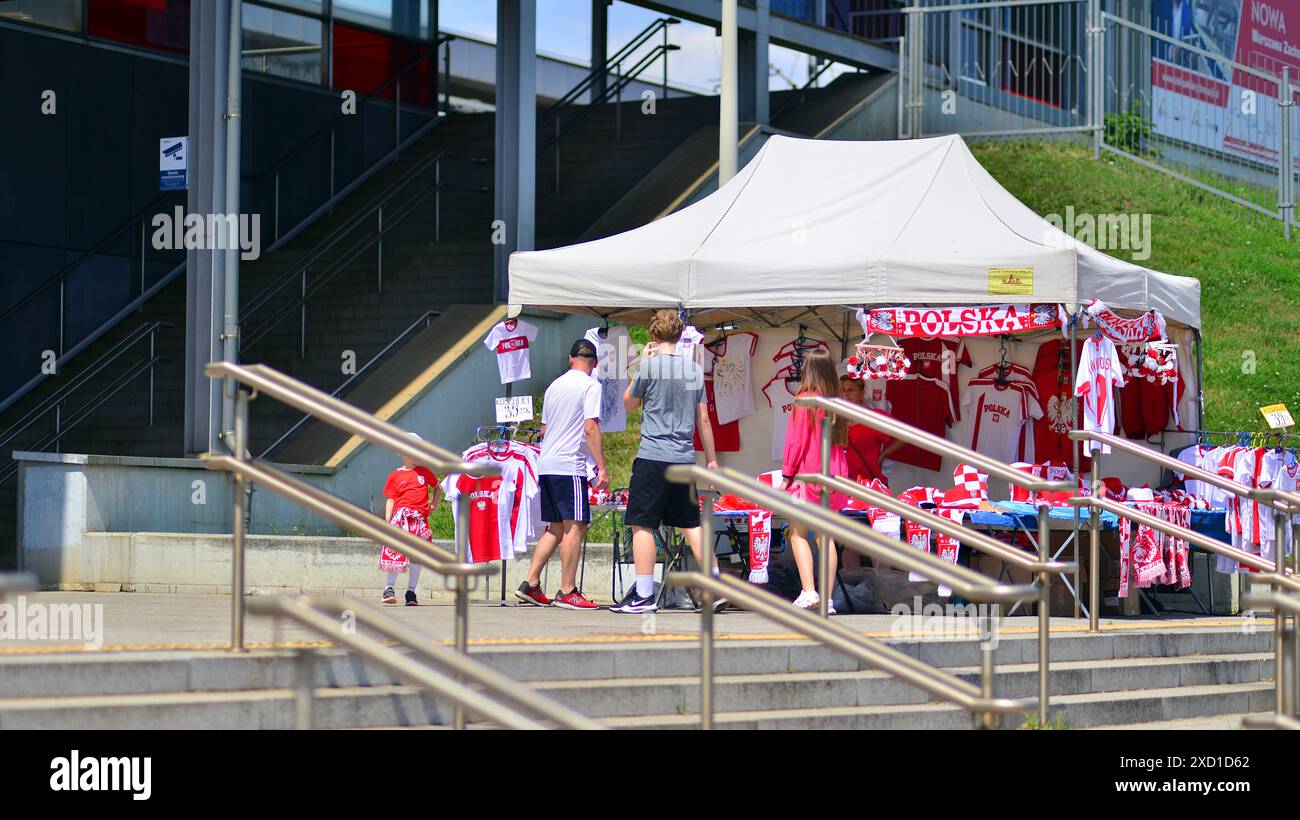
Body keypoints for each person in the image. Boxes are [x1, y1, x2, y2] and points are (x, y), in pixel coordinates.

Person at [610, 310, 719, 615]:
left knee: (641, 522)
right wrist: (711, 461)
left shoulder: (649, 367)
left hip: (653, 455)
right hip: (684, 456)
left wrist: (639, 364)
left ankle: (644, 593)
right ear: (680, 335)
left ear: (654, 337)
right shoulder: (694, 371)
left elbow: (628, 404)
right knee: (690, 523)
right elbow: (703, 420)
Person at [515, 339, 609, 610]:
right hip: (569, 465)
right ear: (595, 363)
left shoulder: (554, 385)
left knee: (556, 528)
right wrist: (601, 467)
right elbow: (590, 427)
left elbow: (543, 430)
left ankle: (530, 583)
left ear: (570, 359)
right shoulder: (591, 386)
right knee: (575, 525)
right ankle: (567, 590)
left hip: (547, 463)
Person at [781, 348, 851, 612]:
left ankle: (810, 591)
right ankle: (828, 598)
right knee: (826, 536)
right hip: (835, 472)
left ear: (807, 369)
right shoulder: (836, 400)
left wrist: (787, 474)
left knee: (797, 532)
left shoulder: (805, 399)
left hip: (809, 472)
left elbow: (796, 443)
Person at [379, 433, 440, 606]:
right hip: (401, 519)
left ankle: (411, 591)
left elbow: (437, 487)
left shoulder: (425, 472)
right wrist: (388, 520)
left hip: (419, 520)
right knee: (396, 552)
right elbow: (390, 499)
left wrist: (433, 506)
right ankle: (388, 588)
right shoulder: (394, 475)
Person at [839, 370, 905, 486]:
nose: (846, 394)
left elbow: (906, 435)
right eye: (843, 391)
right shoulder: (835, 418)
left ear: (861, 393)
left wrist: (883, 455)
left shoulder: (874, 417)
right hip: (843, 486)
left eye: (851, 390)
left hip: (871, 486)